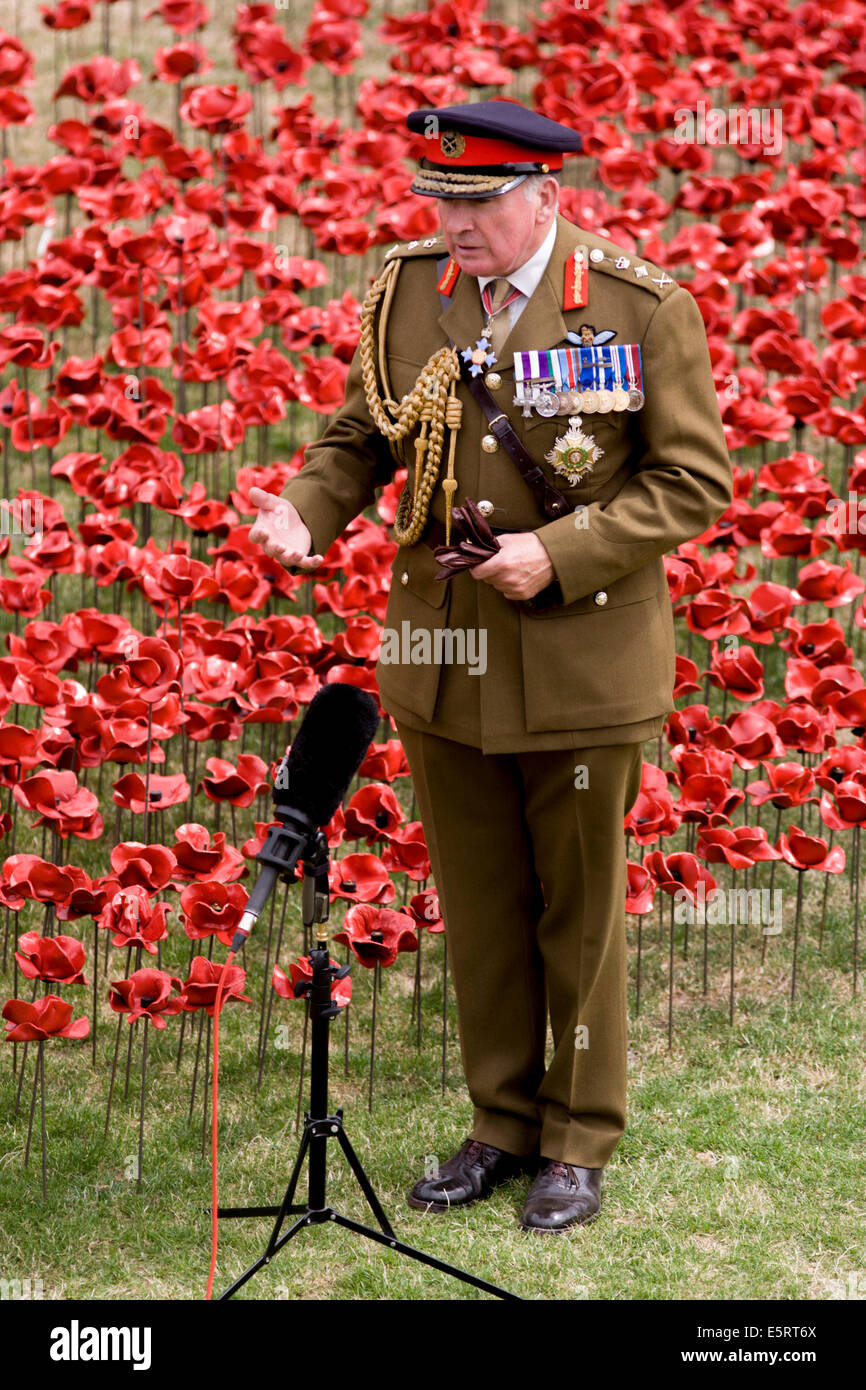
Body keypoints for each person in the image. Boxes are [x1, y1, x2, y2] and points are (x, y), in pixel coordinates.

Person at [249, 99, 733, 1233]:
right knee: (478, 905)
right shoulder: (412, 290)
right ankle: (499, 1120)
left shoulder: (636, 307)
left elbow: (691, 481)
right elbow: (359, 435)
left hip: (579, 662)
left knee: (577, 911)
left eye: (477, 205)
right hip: (440, 659)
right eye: (442, 202)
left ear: (546, 199)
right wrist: (304, 513)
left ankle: (575, 1139)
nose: (454, 226)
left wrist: (555, 552)